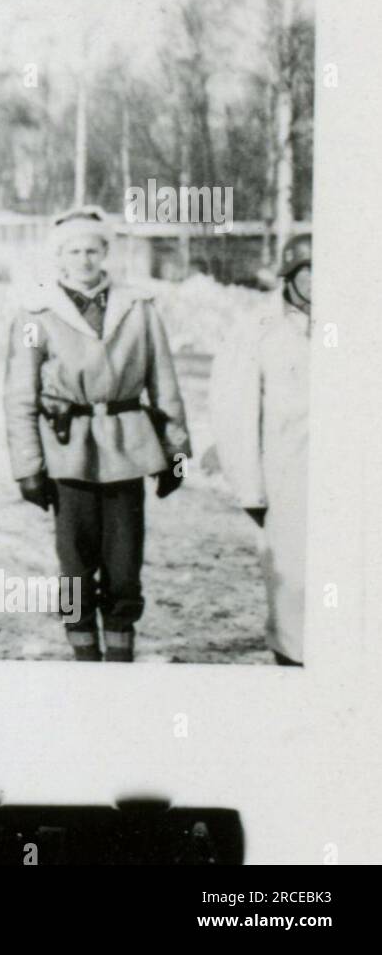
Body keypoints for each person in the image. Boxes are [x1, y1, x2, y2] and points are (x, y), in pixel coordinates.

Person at [4, 206, 191, 662]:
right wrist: (28, 468)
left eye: (93, 249)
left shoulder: (138, 307)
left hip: (130, 448)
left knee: (125, 566)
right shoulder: (37, 313)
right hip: (68, 452)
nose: (84, 259)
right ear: (59, 257)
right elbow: (19, 397)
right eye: (74, 251)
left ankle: (121, 655)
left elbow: (165, 385)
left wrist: (177, 455)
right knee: (74, 567)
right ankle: (83, 655)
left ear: (106, 253)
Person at [209, 234, 311, 667]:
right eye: (311, 271)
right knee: (293, 589)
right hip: (288, 479)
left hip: (351, 483)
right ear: (290, 274)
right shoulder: (257, 328)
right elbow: (234, 413)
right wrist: (250, 490)